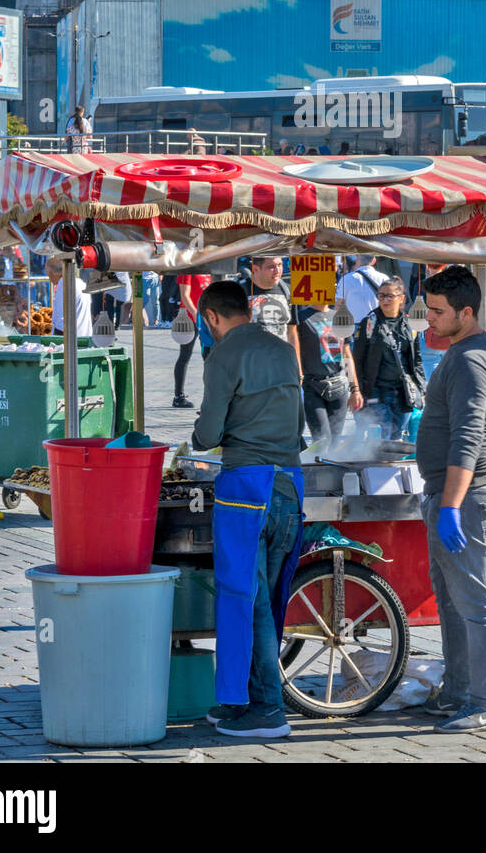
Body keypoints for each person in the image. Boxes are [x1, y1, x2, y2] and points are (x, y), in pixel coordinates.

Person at [192, 280, 303, 741]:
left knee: (247, 600)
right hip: (290, 488)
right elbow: (299, 425)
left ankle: (268, 710)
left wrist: (201, 437)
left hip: (246, 488)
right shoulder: (281, 350)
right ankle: (247, 702)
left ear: (213, 317)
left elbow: (207, 433)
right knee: (269, 601)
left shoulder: (224, 355)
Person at [415, 265, 486, 733]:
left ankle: (485, 703)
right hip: (450, 494)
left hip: (468, 498)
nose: (428, 319)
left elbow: (468, 438)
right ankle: (458, 690)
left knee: (476, 601)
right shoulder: (464, 350)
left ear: (466, 313)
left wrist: (451, 504)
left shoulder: (471, 359)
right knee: (452, 601)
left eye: (437, 312)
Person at [351, 278, 425, 440]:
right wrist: (356, 390)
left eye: (390, 296)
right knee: (382, 436)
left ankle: (392, 464)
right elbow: (356, 359)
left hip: (403, 392)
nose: (384, 300)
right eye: (381, 296)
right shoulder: (369, 323)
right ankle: (379, 464)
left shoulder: (409, 325)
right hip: (376, 390)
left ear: (402, 298)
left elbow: (416, 360)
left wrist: (421, 388)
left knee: (396, 436)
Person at [296, 302, 360, 450]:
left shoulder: (339, 317)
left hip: (339, 385)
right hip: (312, 385)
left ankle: (332, 472)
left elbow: (346, 354)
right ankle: (318, 471)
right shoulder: (300, 318)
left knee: (334, 443)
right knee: (322, 441)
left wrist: (355, 389)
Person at [238, 257, 301, 367]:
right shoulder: (239, 291)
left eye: (280, 265)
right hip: (251, 368)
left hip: (282, 366)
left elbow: (292, 333)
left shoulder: (288, 291)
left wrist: (297, 368)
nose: (277, 271)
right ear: (256, 269)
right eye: (271, 267)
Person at [172, 270, 213, 409]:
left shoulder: (209, 270)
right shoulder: (187, 270)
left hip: (207, 320)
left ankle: (211, 397)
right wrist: (197, 316)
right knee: (185, 356)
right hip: (190, 319)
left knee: (209, 358)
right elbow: (185, 296)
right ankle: (178, 396)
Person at [47, 257, 94, 337]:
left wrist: (55, 341)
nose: (49, 278)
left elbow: (60, 320)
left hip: (71, 340)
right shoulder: (81, 282)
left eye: (48, 274)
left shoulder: (64, 283)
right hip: (85, 335)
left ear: (51, 273)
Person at [335, 254, 387, 322]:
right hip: (376, 326)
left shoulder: (346, 279)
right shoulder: (384, 278)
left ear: (357, 259)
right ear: (374, 261)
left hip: (353, 327)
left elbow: (339, 306)